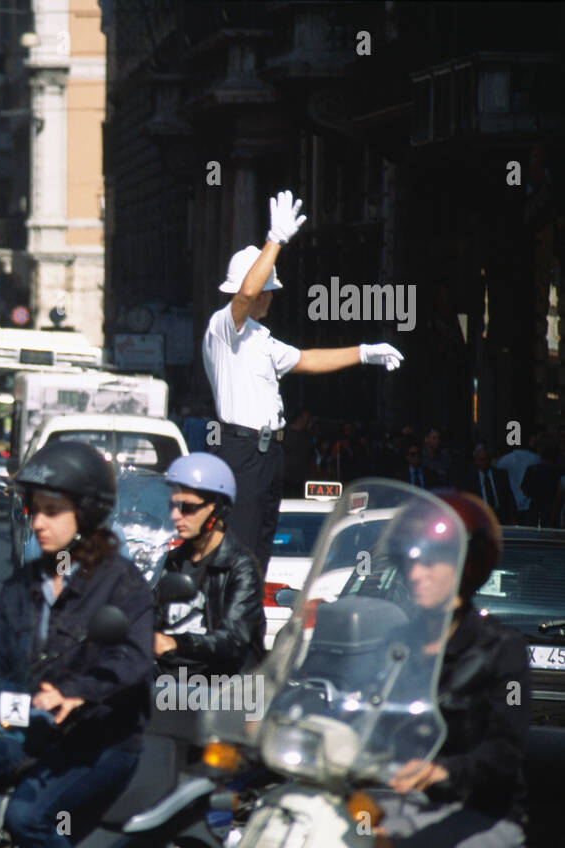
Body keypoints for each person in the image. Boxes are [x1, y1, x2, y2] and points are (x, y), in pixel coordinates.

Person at [0, 440, 155, 848]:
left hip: (102, 742)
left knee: (28, 817)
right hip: (36, 734)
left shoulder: (121, 582)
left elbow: (132, 658)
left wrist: (75, 693)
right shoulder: (27, 582)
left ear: (88, 514)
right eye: (34, 510)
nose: (38, 522)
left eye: (52, 511)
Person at [203, 190, 404, 576]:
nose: (270, 299)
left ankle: (247, 629)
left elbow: (307, 359)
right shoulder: (223, 328)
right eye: (269, 292)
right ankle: (231, 629)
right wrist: (275, 240)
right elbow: (245, 292)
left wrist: (362, 352)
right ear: (261, 292)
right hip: (241, 450)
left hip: (268, 455)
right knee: (239, 557)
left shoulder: (260, 338)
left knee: (257, 554)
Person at [372, 490, 529, 848]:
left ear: (466, 564)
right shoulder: (397, 643)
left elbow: (506, 749)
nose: (415, 574)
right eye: (410, 562)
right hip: (400, 803)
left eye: (431, 563)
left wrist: (443, 772)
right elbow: (365, 713)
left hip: (483, 814)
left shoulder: (502, 649)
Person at [154, 453, 265, 675]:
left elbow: (233, 639)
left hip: (218, 691)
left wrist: (175, 644)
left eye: (187, 507)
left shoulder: (240, 567)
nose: (176, 515)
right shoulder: (170, 561)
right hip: (167, 684)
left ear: (218, 508)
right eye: (173, 506)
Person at [452, 443, 515, 525]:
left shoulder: (500, 475)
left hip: (500, 517)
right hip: (479, 517)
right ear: (475, 460)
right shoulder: (468, 478)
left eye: (486, 459)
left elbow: (509, 498)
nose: (484, 463)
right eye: (480, 460)